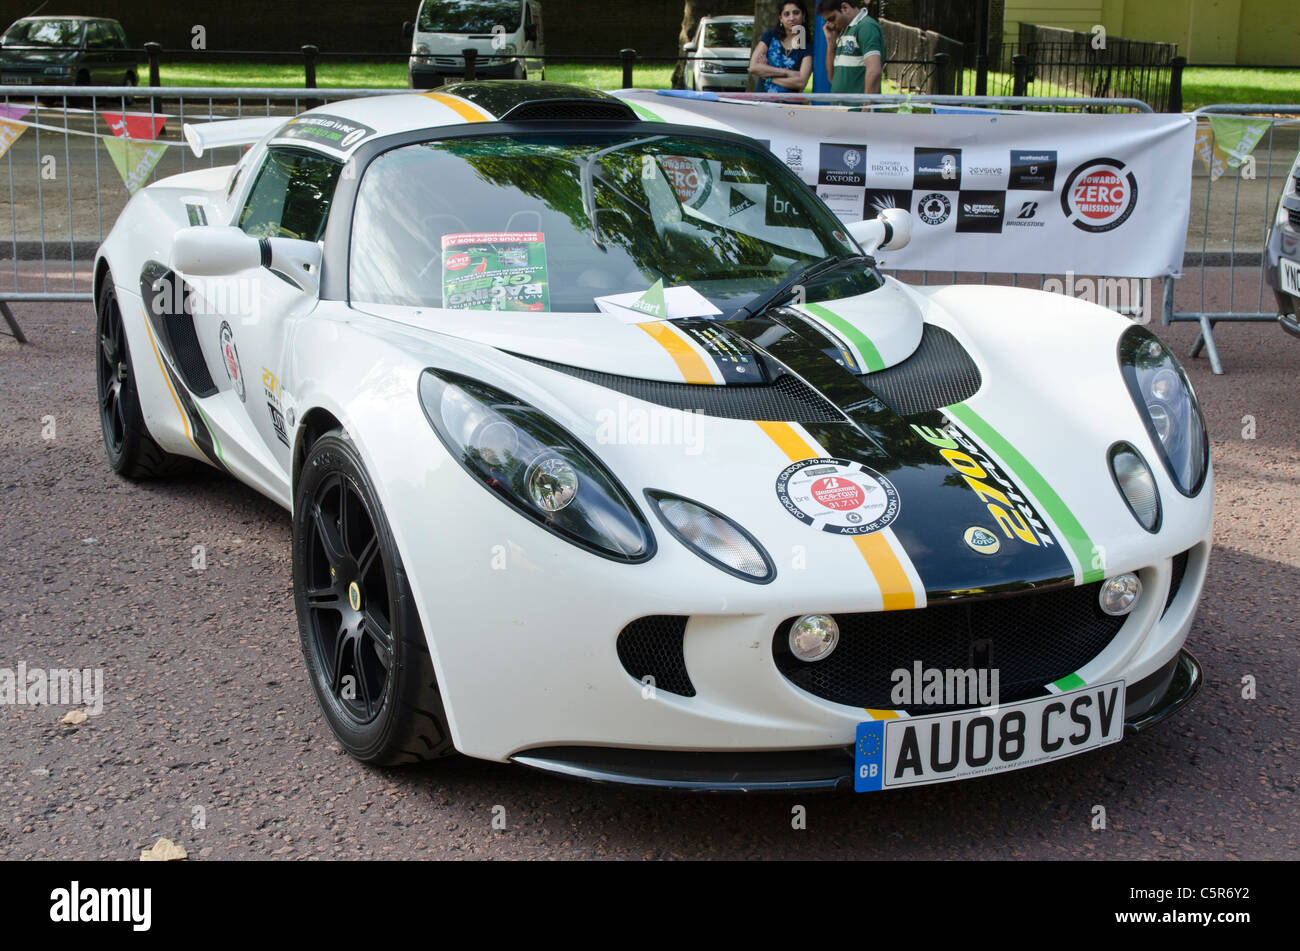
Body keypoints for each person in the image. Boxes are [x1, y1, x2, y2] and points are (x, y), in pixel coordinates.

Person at [818, 0, 884, 95]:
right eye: (827, 21)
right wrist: (830, 44)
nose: (830, 25)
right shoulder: (842, 31)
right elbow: (832, 77)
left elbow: (874, 71)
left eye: (832, 19)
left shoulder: (866, 26)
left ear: (845, 8)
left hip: (858, 107)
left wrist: (866, 107)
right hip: (841, 107)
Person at [749, 1, 813, 93]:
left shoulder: (808, 47)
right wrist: (788, 73)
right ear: (781, 18)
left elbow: (801, 82)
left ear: (803, 16)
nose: (791, 18)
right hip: (762, 102)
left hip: (789, 105)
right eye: (786, 14)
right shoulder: (770, 36)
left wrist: (768, 77)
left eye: (796, 13)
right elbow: (754, 67)